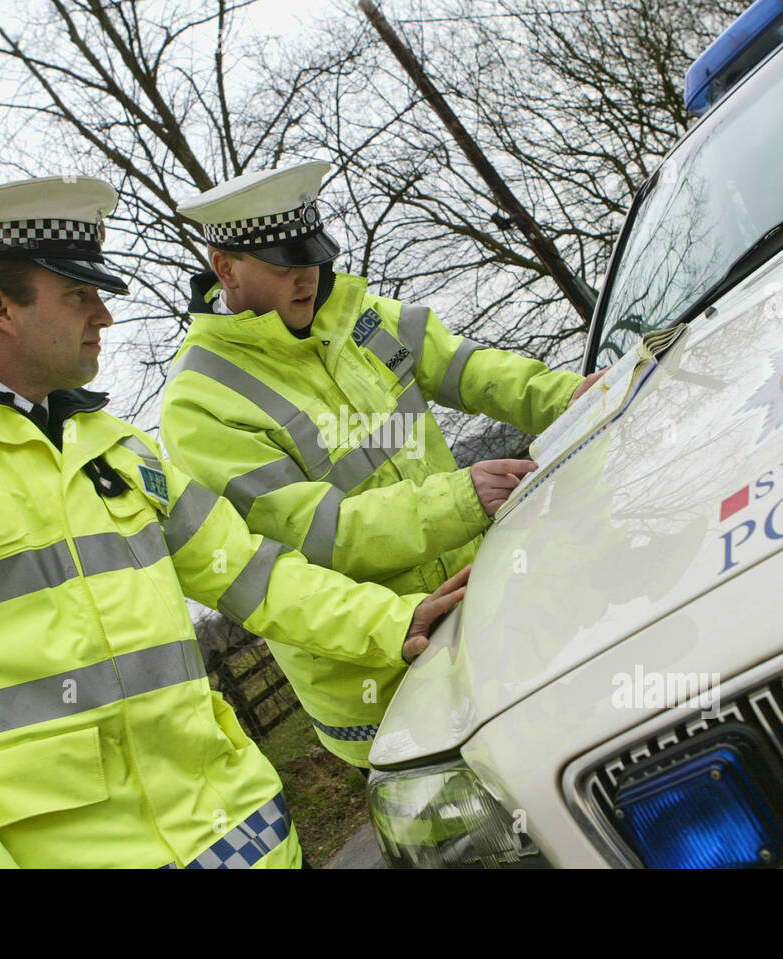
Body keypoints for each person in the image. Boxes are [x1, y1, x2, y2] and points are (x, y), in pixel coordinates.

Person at [0, 175, 465, 868]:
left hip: (252, 846)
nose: (104, 315)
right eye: (79, 294)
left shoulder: (117, 446)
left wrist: (388, 621)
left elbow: (250, 572)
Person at [161, 161, 602, 767]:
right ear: (224, 267)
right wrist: (463, 499)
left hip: (481, 610)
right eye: (283, 265)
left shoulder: (356, 318)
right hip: (384, 681)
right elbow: (318, 535)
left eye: (313, 256)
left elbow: (468, 370)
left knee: (570, 770)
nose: (307, 278)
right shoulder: (199, 403)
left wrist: (569, 397)